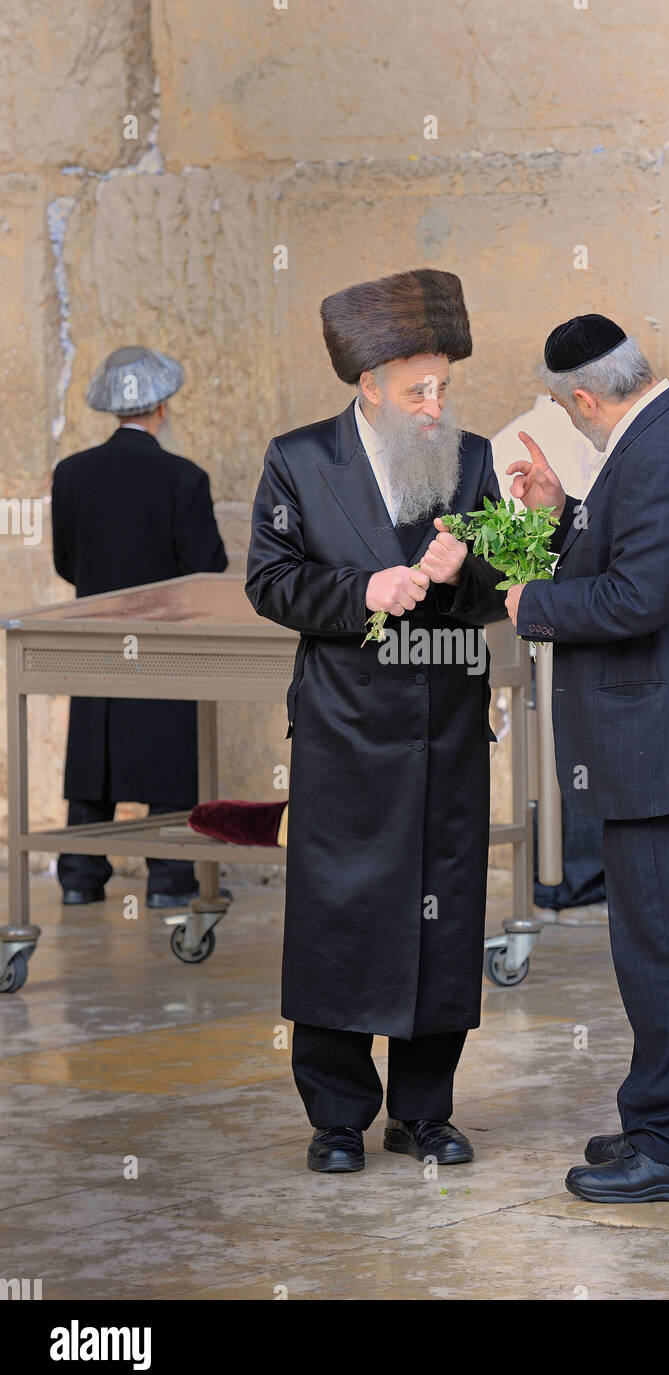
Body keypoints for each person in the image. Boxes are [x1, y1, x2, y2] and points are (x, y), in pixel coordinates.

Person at [504, 313, 669, 1202]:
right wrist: (565, 510)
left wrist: (528, 604)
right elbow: (636, 547)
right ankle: (657, 1115)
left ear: (584, 397)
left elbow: (634, 598)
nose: (569, 421)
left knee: (666, 950)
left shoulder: (663, 450)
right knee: (665, 944)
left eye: (562, 409)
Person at [245, 269, 507, 1175]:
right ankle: (336, 1116)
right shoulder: (298, 457)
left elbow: (498, 596)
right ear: (368, 386)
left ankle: (423, 1115)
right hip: (344, 727)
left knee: (443, 918)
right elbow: (269, 580)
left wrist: (465, 566)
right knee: (339, 914)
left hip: (445, 724)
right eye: (415, 390)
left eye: (442, 386)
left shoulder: (471, 461)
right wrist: (364, 588)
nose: (434, 405)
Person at [51, 346, 228, 909]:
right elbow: (208, 566)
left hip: (96, 635)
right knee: (169, 754)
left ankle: (81, 876)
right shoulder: (184, 477)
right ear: (162, 407)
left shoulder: (72, 473)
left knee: (92, 757)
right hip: (164, 641)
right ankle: (170, 879)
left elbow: (65, 562)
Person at [491, 400, 606, 915]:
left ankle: (550, 879)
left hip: (523, 617)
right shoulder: (591, 442)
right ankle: (573, 881)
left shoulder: (504, 435)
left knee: (548, 752)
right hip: (575, 619)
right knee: (576, 749)